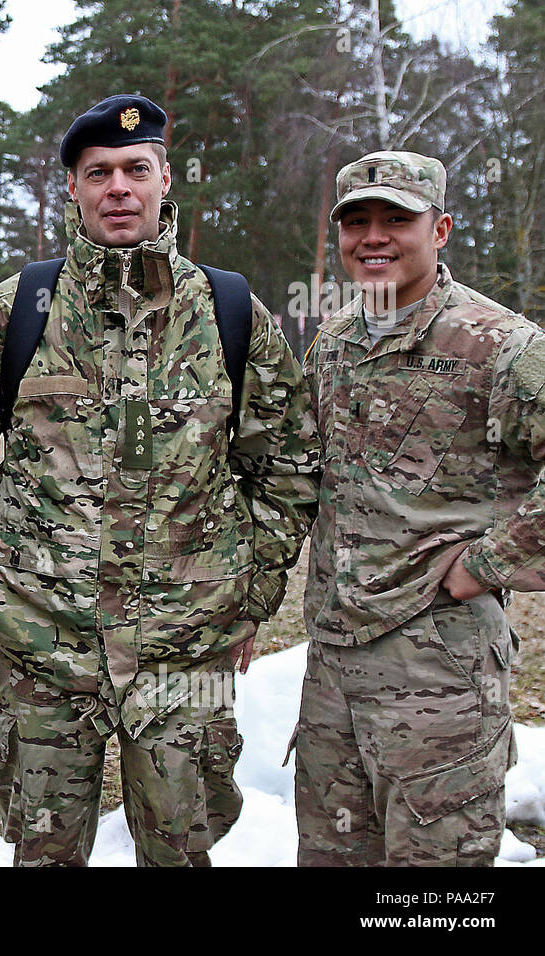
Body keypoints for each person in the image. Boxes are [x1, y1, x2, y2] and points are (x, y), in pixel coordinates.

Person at [0, 94, 319, 866]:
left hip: (184, 649)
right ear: (72, 187)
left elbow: (288, 464)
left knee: (181, 850)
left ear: (167, 179)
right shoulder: (20, 307)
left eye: (137, 169)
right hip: (41, 642)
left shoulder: (230, 310)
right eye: (98, 172)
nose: (118, 188)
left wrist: (249, 595)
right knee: (45, 850)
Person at [295, 150, 540, 866]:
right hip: (335, 672)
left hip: (440, 671)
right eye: (357, 221)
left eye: (396, 219)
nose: (374, 237)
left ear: (440, 230)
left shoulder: (500, 345)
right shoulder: (336, 342)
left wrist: (489, 564)